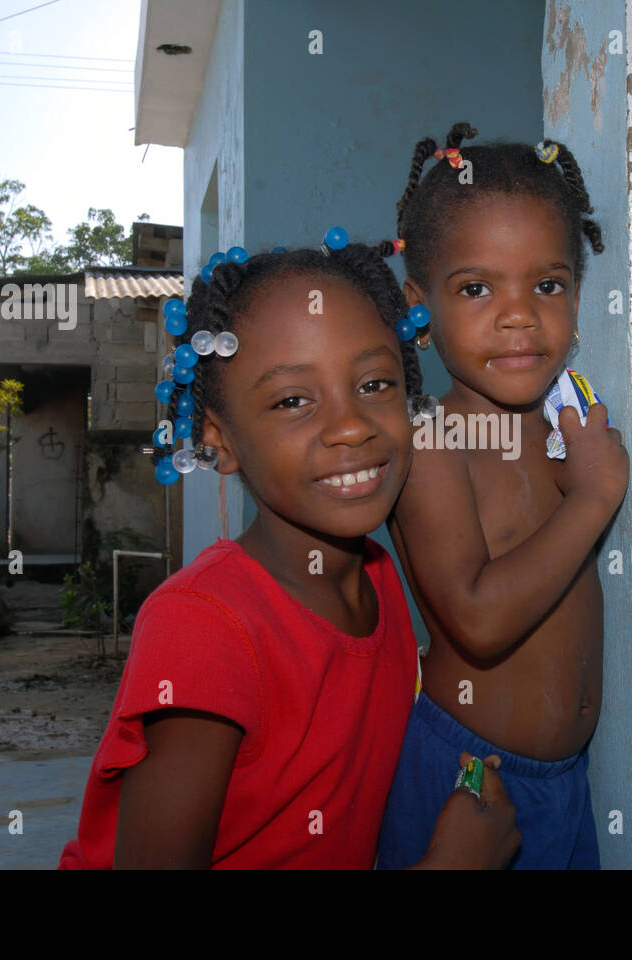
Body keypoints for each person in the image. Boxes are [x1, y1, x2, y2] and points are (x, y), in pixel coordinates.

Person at [59, 236, 519, 869]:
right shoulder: (203, 628)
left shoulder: (378, 579)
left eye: (375, 383)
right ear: (219, 440)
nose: (352, 425)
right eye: (292, 401)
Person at [375, 124, 629, 869]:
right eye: (477, 288)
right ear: (419, 309)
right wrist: (592, 498)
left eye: (546, 285)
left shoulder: (562, 424)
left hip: (566, 783)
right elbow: (479, 620)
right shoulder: (430, 441)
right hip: (472, 785)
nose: (519, 314)